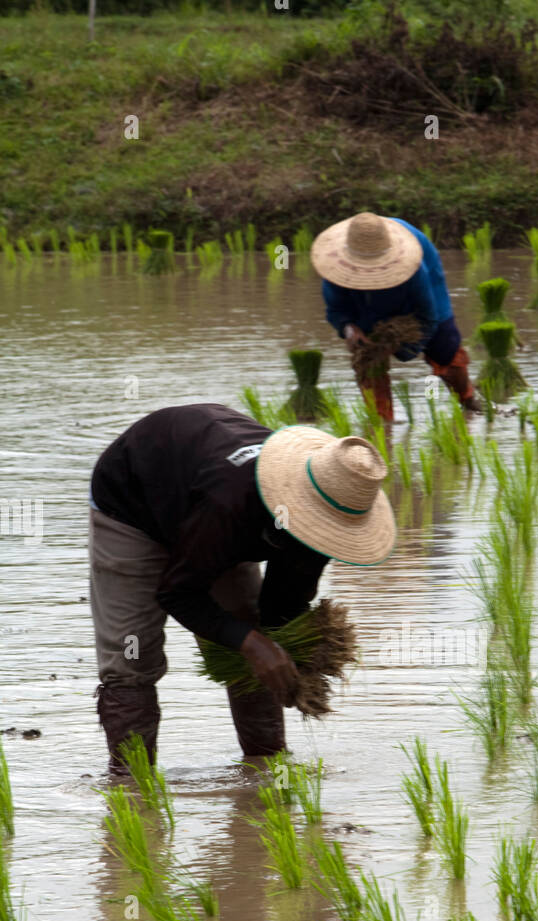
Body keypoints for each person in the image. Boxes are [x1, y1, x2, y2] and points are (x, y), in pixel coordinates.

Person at [89, 404, 396, 773]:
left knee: (253, 634)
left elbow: (283, 601)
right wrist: (252, 643)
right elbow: (177, 593)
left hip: (209, 510)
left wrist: (290, 649)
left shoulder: (330, 510)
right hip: (132, 505)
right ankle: (131, 789)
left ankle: (266, 767)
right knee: (131, 657)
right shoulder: (231, 504)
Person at [311, 211, 482, 420]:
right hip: (363, 304)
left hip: (413, 296)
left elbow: (429, 316)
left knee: (445, 347)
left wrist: (403, 349)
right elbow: (336, 310)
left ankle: (468, 400)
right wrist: (349, 329)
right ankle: (382, 423)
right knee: (368, 359)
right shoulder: (336, 269)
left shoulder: (414, 266)